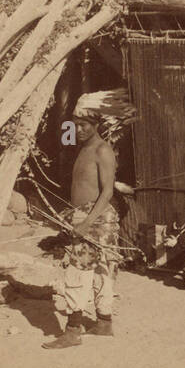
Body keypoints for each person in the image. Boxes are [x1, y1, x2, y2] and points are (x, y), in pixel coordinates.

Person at [45, 100, 121, 350]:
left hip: (95, 219)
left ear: (96, 125)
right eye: (76, 126)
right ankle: (104, 323)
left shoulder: (102, 150)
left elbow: (107, 192)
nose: (79, 130)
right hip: (84, 216)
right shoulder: (83, 149)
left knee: (78, 271)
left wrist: (87, 222)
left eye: (85, 125)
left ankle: (73, 331)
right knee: (99, 270)